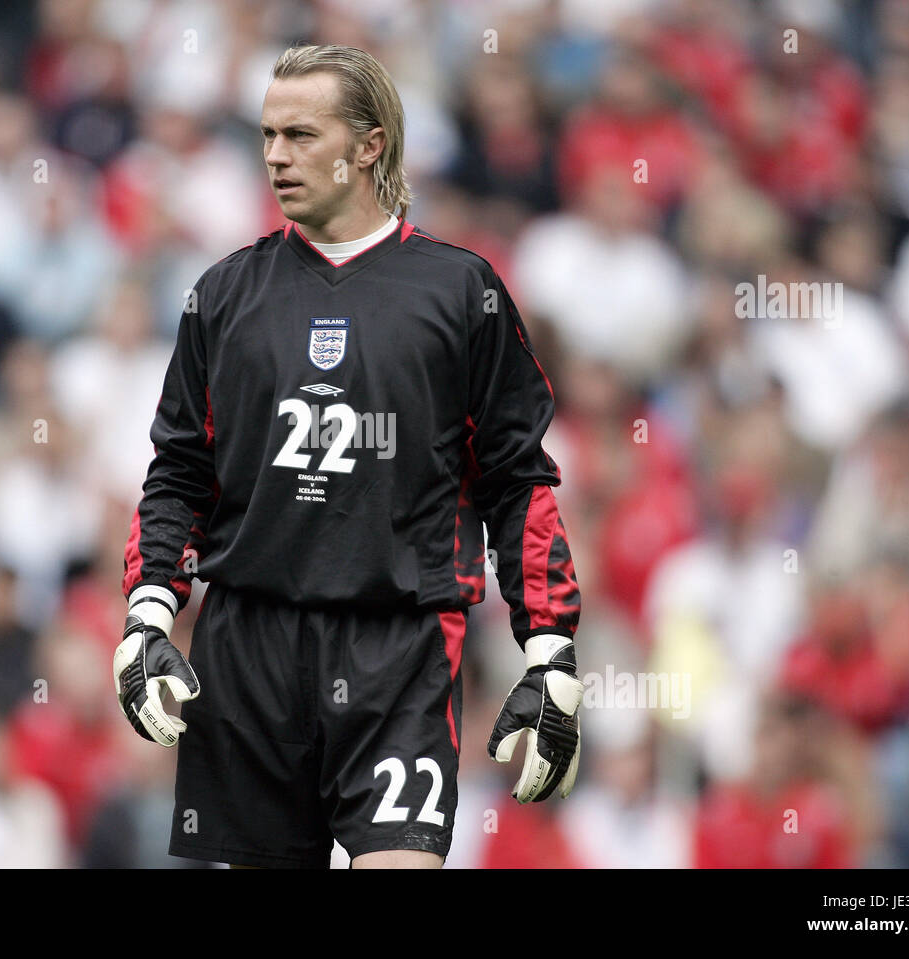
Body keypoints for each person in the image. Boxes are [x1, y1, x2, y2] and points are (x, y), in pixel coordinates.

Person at [113, 44, 582, 869]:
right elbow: (180, 470)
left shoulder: (459, 292)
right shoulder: (222, 295)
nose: (276, 157)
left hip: (399, 648)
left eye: (300, 134)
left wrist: (549, 649)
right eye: (266, 135)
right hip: (248, 644)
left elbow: (518, 482)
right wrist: (148, 611)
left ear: (368, 146)